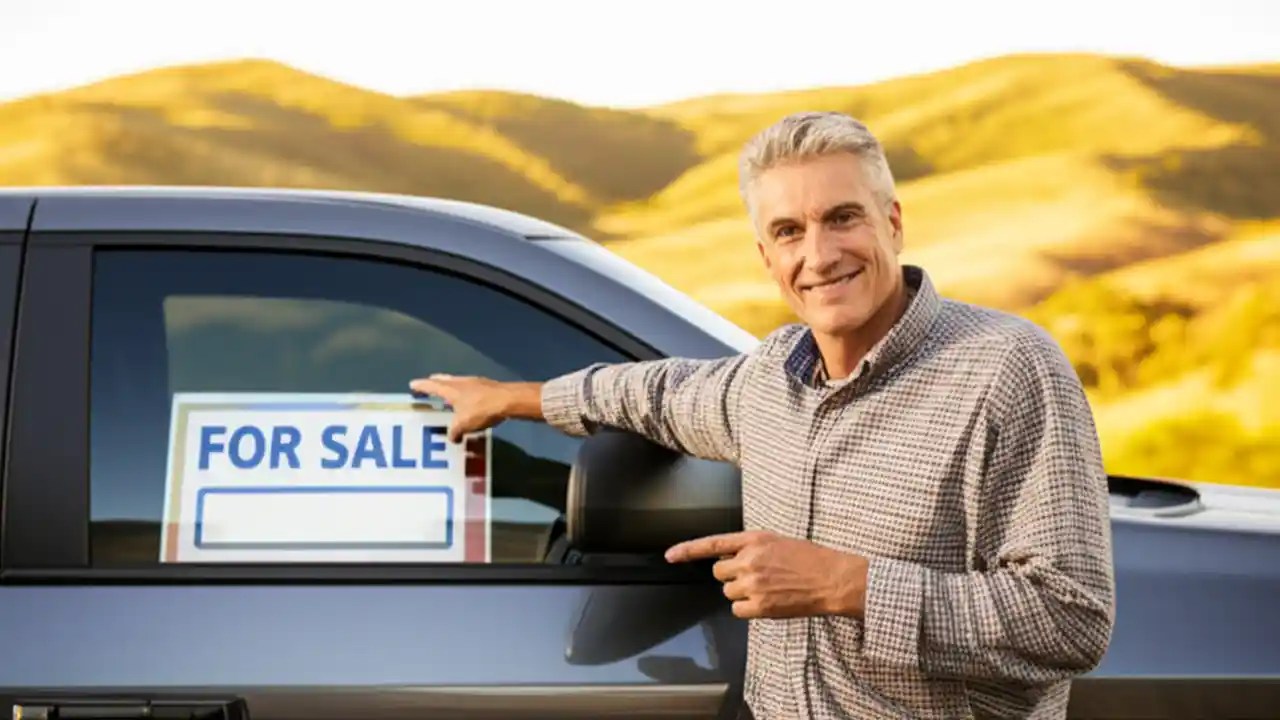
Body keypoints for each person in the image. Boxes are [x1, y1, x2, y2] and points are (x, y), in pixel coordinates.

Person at [410, 111, 1116, 719]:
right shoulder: (769, 377)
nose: (820, 254)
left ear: (893, 223)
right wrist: (516, 399)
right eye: (789, 231)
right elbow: (656, 394)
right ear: (766, 257)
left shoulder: (1007, 368)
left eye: (843, 218)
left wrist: (847, 586)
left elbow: (1071, 617)